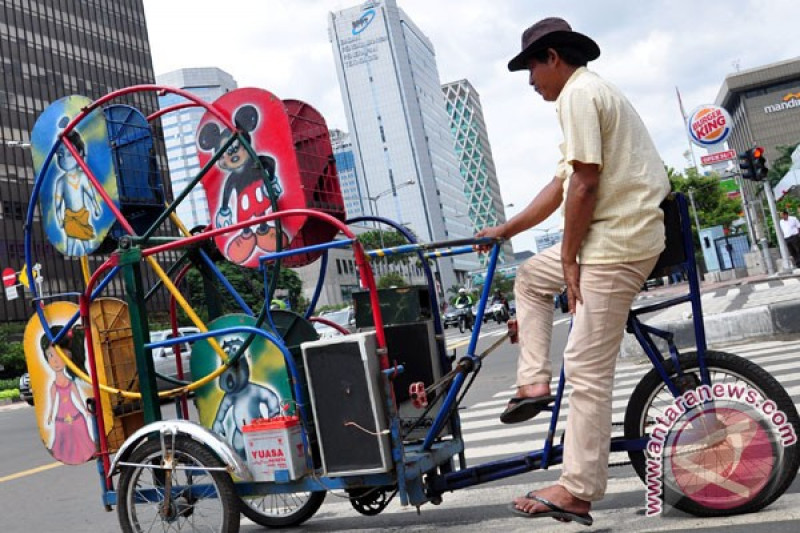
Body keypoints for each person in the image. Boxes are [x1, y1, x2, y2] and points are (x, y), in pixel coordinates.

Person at [476, 17, 671, 525]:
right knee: (528, 278)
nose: (530, 81)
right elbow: (560, 184)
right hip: (609, 239)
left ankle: (578, 488)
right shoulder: (583, 96)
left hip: (618, 244)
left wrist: (567, 260)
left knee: (584, 367)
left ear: (554, 59)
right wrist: (507, 229)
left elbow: (585, 184)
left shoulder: (579, 96)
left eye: (532, 69)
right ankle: (534, 384)